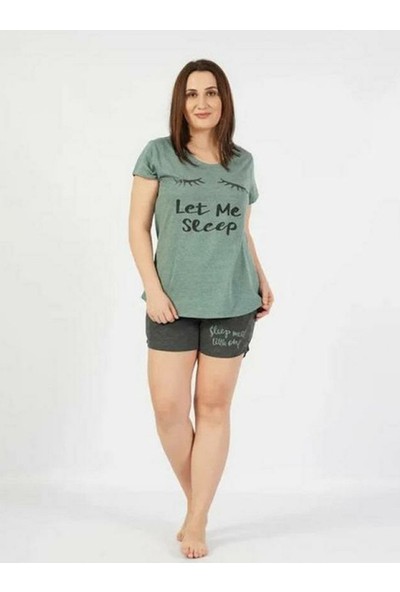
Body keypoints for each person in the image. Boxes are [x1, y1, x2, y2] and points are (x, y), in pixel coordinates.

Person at [128, 58, 274, 559]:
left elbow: (241, 231)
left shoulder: (243, 163)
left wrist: (261, 276)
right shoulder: (158, 154)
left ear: (223, 100)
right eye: (192, 94)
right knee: (168, 409)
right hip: (170, 303)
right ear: (181, 103)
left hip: (232, 300)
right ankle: (200, 506)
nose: (202, 102)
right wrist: (153, 290)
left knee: (212, 408)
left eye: (211, 92)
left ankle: (196, 519)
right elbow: (136, 228)